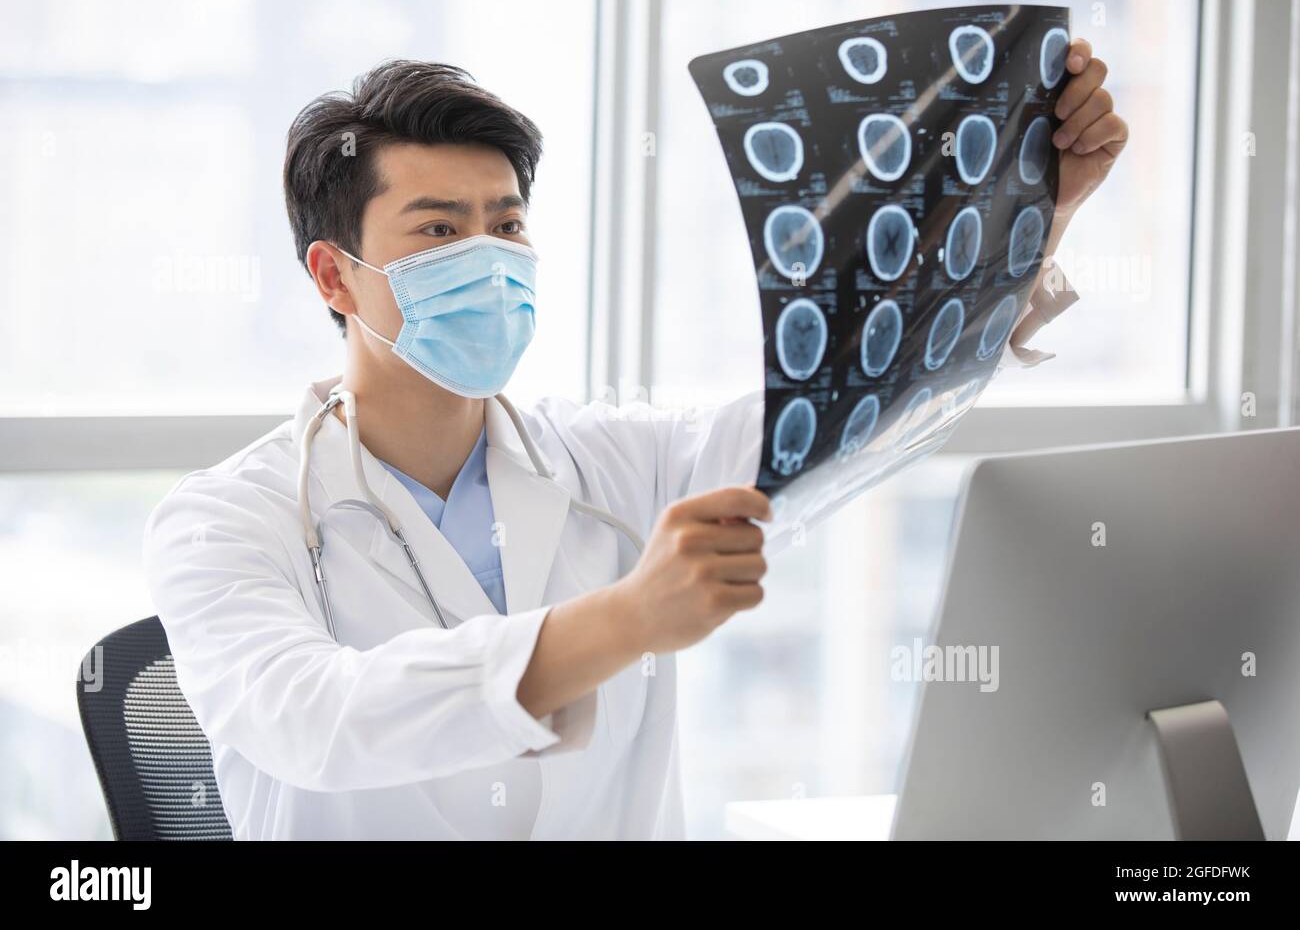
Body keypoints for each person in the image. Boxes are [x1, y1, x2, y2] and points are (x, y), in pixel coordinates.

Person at [142, 45, 1126, 839]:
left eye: (507, 224)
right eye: (439, 232)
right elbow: (312, 716)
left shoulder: (611, 464)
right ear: (332, 275)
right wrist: (629, 616)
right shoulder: (226, 518)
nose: (486, 259)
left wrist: (1038, 203)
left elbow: (853, 398)